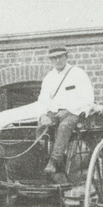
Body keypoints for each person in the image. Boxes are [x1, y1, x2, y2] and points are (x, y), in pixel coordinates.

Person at [35, 46, 94, 183]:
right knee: (40, 128)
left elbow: (88, 98)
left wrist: (68, 110)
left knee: (64, 126)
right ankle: (42, 161)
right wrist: (43, 115)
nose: (57, 60)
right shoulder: (49, 78)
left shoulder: (78, 73)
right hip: (53, 112)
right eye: (54, 58)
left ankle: (54, 161)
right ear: (50, 60)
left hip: (74, 112)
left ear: (66, 57)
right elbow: (42, 100)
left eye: (60, 57)